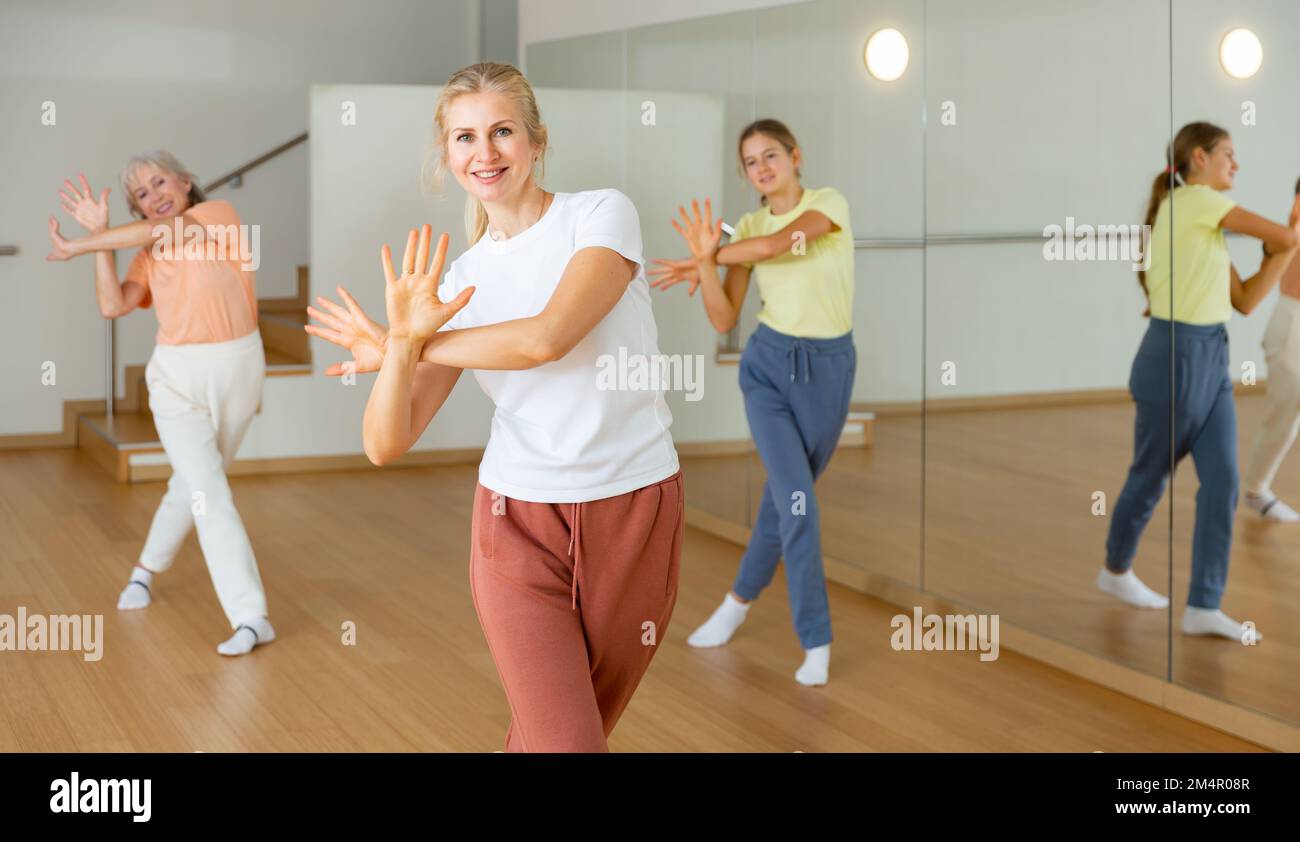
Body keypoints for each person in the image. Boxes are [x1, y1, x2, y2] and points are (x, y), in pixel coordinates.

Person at [306, 62, 682, 751]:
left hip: (633, 512)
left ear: (537, 142)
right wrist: (401, 349)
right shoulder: (461, 282)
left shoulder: (600, 215)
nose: (485, 153)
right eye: (465, 137)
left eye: (503, 131)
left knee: (560, 733)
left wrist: (413, 342)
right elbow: (384, 444)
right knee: (568, 744)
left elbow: (546, 338)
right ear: (447, 156)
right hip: (515, 523)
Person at [650, 119, 855, 685]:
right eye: (751, 162)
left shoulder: (826, 204)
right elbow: (723, 317)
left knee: (783, 500)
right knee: (798, 502)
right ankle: (816, 638)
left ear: (796, 156)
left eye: (771, 156)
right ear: (745, 174)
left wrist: (708, 257)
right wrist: (711, 265)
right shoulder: (742, 227)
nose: (762, 168)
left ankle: (736, 604)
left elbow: (775, 246)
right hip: (767, 369)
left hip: (828, 371)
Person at [46, 152, 273, 656]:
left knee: (191, 486)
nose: (153, 196)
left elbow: (160, 232)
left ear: (186, 182)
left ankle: (144, 572)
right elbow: (113, 305)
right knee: (209, 492)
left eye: (158, 182)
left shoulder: (218, 219)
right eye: (141, 196)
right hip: (174, 377)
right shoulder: (148, 249)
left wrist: (81, 243)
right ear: (138, 210)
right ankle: (251, 616)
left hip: (238, 366)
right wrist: (101, 245)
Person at [1100, 122, 1300, 641]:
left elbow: (1247, 300)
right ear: (1197, 159)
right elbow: (1280, 239)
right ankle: (1115, 571)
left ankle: (1204, 606)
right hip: (1174, 356)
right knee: (1150, 475)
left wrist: (1286, 244)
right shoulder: (1193, 203)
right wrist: (1291, 232)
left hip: (1212, 356)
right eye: (1228, 155)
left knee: (1225, 480)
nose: (1236, 165)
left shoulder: (1203, 225)